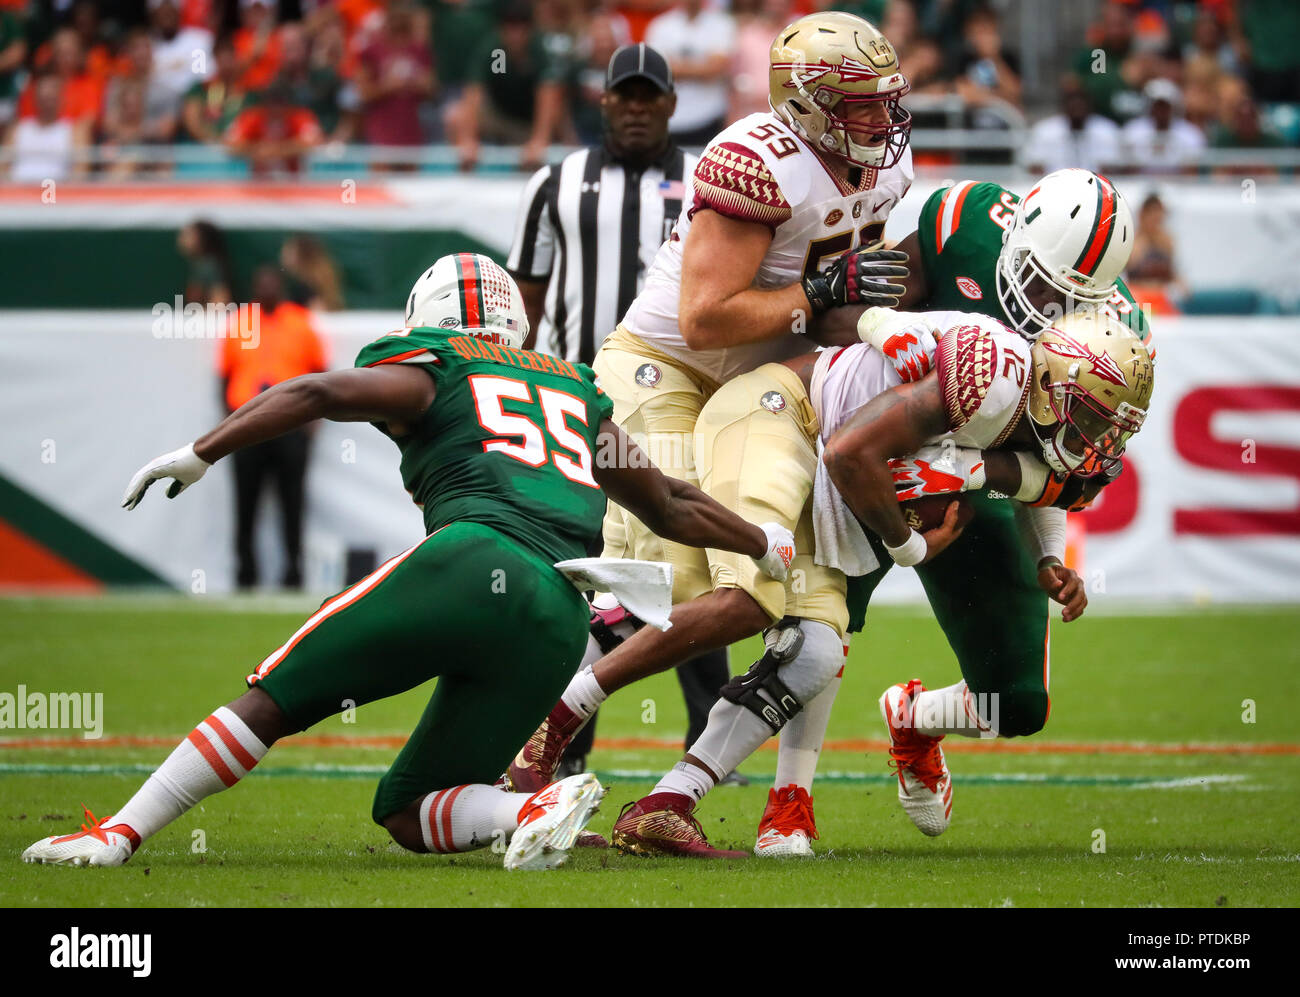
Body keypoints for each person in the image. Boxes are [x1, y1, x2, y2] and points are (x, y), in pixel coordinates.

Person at [21, 254, 793, 871]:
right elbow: (669, 503)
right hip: (561, 610)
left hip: (468, 562)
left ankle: (119, 833)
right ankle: (531, 807)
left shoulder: (439, 364)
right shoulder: (573, 388)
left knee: (275, 699)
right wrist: (764, 542)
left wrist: (200, 450)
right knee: (411, 806)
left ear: (428, 324)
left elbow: (321, 389)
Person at [501, 10, 914, 832]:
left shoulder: (884, 169)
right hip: (663, 372)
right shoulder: (758, 159)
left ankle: (677, 796)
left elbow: (839, 309)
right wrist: (824, 295)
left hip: (758, 388)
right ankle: (530, 731)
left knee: (814, 628)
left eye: (885, 101)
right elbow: (704, 318)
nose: (881, 121)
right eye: (858, 104)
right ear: (805, 103)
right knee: (672, 580)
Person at [610, 307, 1151, 858]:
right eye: (1090, 420)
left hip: (876, 468)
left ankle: (670, 799)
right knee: (730, 600)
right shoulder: (989, 368)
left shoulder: (1069, 367)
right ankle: (563, 732)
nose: (1098, 439)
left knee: (831, 650)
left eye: (1108, 425)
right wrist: (887, 328)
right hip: (821, 438)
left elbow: (1042, 480)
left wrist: (1044, 554)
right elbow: (858, 393)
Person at [506, 42, 728, 778]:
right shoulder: (556, 183)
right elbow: (525, 302)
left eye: (649, 96)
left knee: (687, 561)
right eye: (623, 96)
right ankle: (564, 749)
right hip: (578, 405)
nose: (636, 107)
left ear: (671, 103)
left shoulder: (708, 180)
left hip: (678, 403)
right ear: (603, 101)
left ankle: (711, 736)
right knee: (581, 569)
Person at [218, 265, 328, 590]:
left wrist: (311, 423)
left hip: (290, 425)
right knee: (245, 500)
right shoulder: (240, 322)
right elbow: (224, 377)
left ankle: (293, 572)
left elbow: (320, 375)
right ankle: (245, 573)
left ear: (280, 287)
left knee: (292, 500)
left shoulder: (300, 322)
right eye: (261, 284)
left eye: (272, 284)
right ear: (254, 288)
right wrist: (231, 422)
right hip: (247, 424)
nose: (266, 290)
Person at [645, 0, 736, 146]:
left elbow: (716, 68)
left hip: (709, 116)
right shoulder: (660, 25)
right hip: (670, 119)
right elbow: (657, 68)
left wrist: (675, 66)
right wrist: (702, 67)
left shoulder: (722, 24)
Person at [1025, 81, 1122, 175]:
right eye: (1072, 101)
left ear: (1089, 104)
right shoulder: (1044, 130)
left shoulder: (1106, 129)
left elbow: (1111, 167)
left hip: (1097, 186)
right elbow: (1035, 166)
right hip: (1054, 185)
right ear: (1064, 104)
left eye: (1081, 101)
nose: (1077, 106)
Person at [1121, 78, 1206, 175]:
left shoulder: (1190, 134)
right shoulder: (1133, 131)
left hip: (1179, 186)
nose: (1160, 111)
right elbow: (1127, 170)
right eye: (1157, 106)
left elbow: (1191, 172)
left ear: (1173, 107)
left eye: (1164, 106)